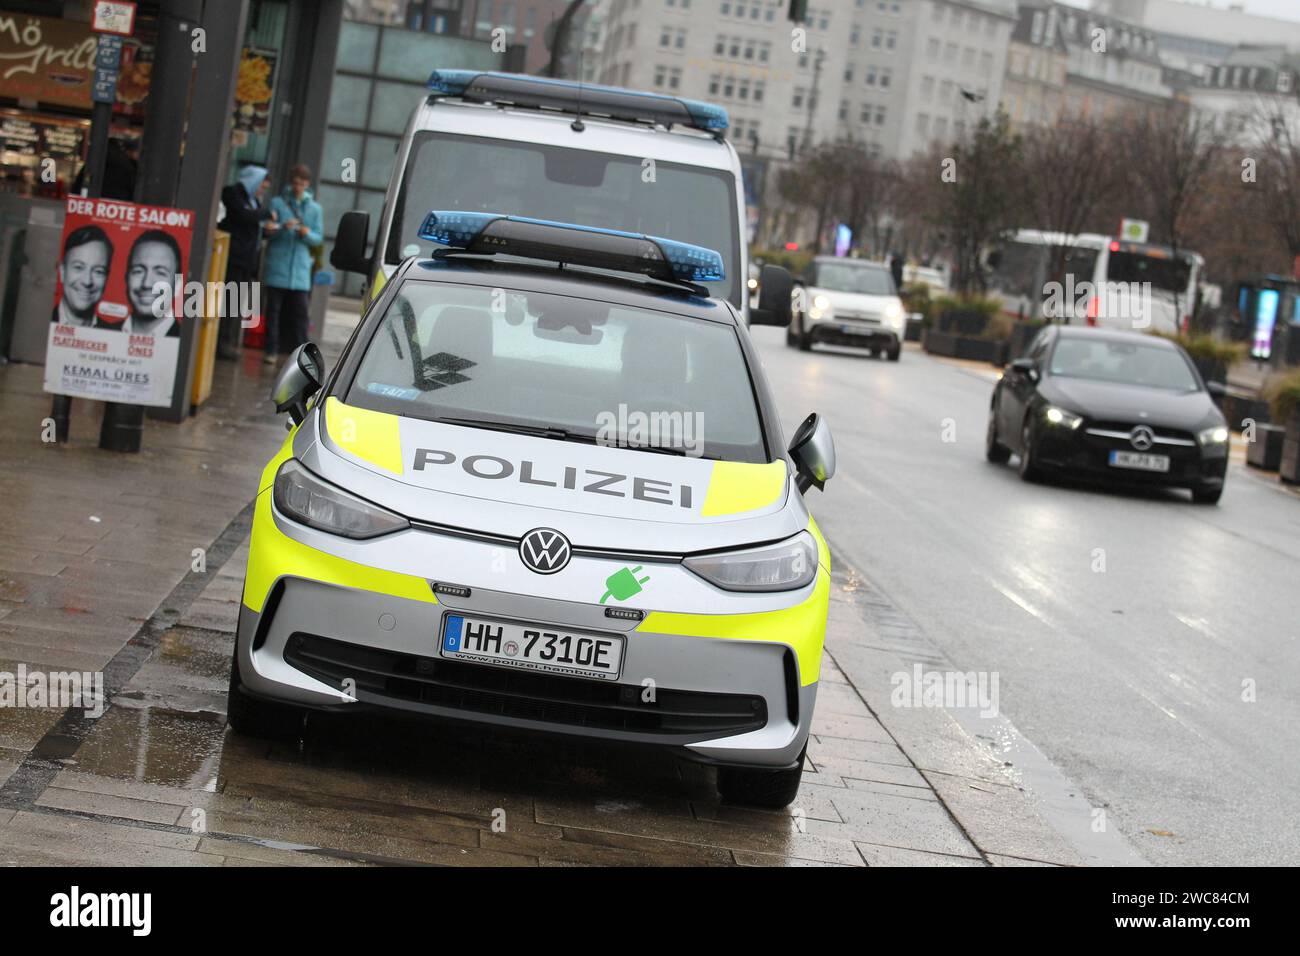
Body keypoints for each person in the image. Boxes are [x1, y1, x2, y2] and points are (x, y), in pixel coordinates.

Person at [262, 163, 323, 365]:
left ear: (307, 184)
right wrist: (282, 228)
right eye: (296, 183)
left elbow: (318, 238)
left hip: (300, 271)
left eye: (302, 183)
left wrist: (306, 233)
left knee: (300, 315)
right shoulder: (278, 203)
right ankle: (270, 350)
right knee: (273, 312)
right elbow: (267, 230)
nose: (298, 187)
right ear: (291, 183)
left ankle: (302, 354)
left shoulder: (315, 209)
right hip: (277, 266)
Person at [216, 164, 272, 359]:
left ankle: (227, 341)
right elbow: (243, 217)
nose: (262, 190)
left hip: (246, 261)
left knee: (236, 304)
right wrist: (266, 214)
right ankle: (221, 342)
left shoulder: (252, 200)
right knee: (229, 303)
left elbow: (251, 224)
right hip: (234, 258)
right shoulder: (233, 194)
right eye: (261, 186)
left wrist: (265, 231)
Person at [116, 229, 182, 337]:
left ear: (177, 286)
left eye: (160, 273)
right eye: (138, 271)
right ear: (126, 278)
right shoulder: (100, 332)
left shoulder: (188, 342)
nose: (146, 284)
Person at [51, 225, 112, 327]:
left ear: (106, 278)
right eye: (78, 267)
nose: (87, 281)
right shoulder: (40, 319)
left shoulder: (115, 334)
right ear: (62, 272)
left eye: (98, 271)